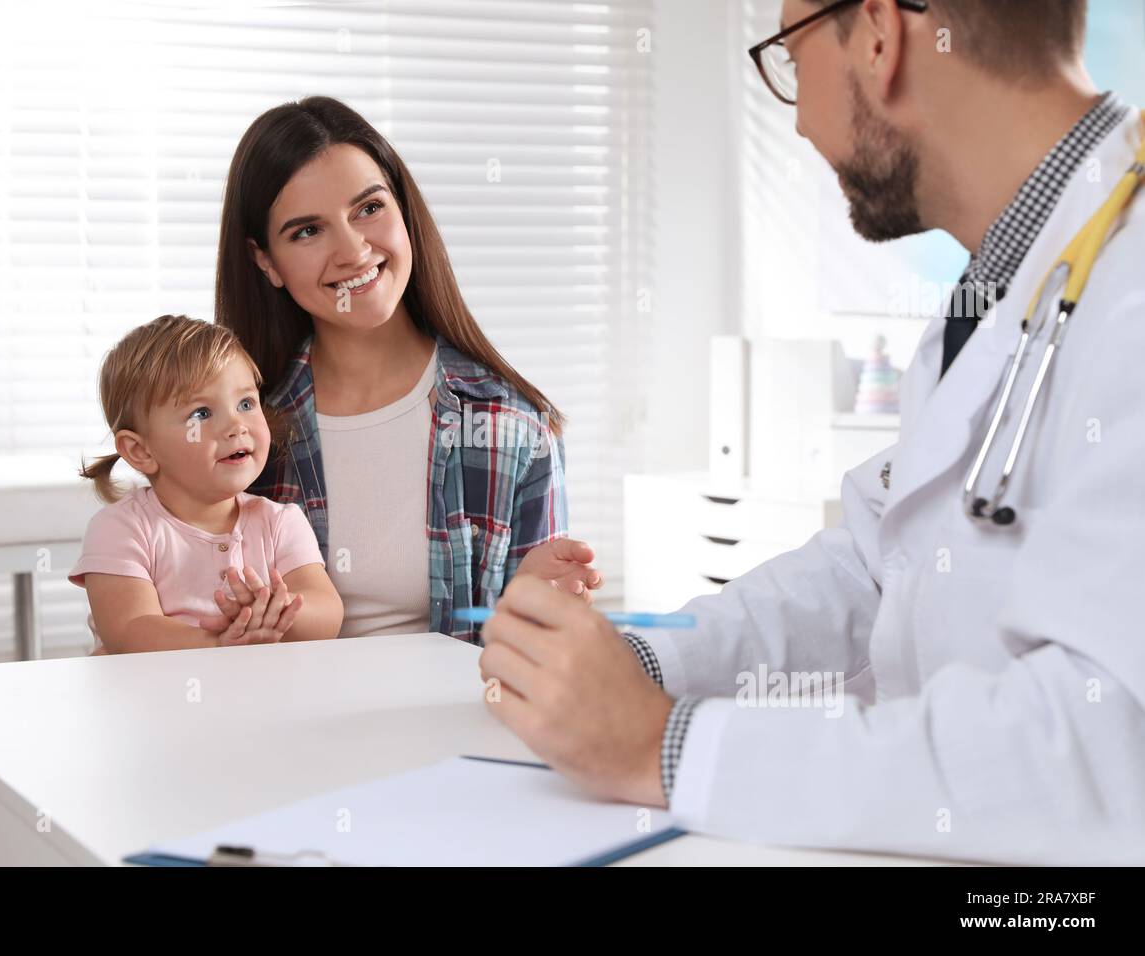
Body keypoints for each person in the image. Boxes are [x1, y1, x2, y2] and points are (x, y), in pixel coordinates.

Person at [478, 0, 1145, 864]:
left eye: (791, 60)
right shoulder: (1010, 280)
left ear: (877, 33)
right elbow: (877, 562)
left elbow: (1103, 744)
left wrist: (665, 749)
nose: (795, 120)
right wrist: (635, 666)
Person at [216, 96, 600, 642]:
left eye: (368, 209)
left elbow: (541, 667)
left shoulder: (513, 426)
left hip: (448, 727)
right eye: (307, 231)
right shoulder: (238, 435)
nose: (353, 250)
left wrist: (534, 614)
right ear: (265, 262)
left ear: (403, 211)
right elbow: (171, 623)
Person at [72, 315, 343, 653]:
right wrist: (221, 644)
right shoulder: (121, 528)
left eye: (245, 403)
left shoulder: (280, 522)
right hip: (151, 702)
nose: (236, 425)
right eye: (201, 413)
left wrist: (274, 613)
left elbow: (328, 613)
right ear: (141, 451)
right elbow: (129, 629)